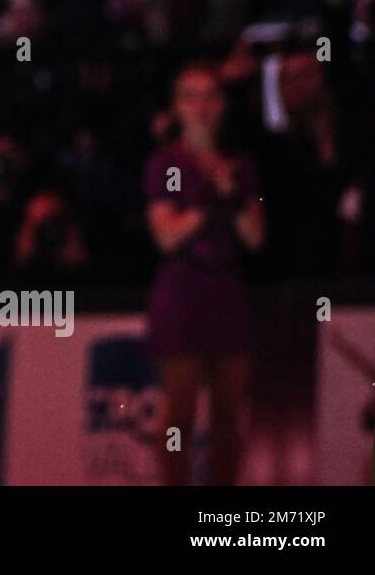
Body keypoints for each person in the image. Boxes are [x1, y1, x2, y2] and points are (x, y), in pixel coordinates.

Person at [143, 61, 264, 484]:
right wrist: (212, 198)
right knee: (179, 415)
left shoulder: (239, 165)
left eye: (209, 95)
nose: (201, 106)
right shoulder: (168, 164)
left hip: (227, 287)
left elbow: (255, 236)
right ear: (177, 106)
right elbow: (166, 236)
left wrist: (232, 195)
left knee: (229, 417)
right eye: (190, 96)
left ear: (222, 103)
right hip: (183, 290)